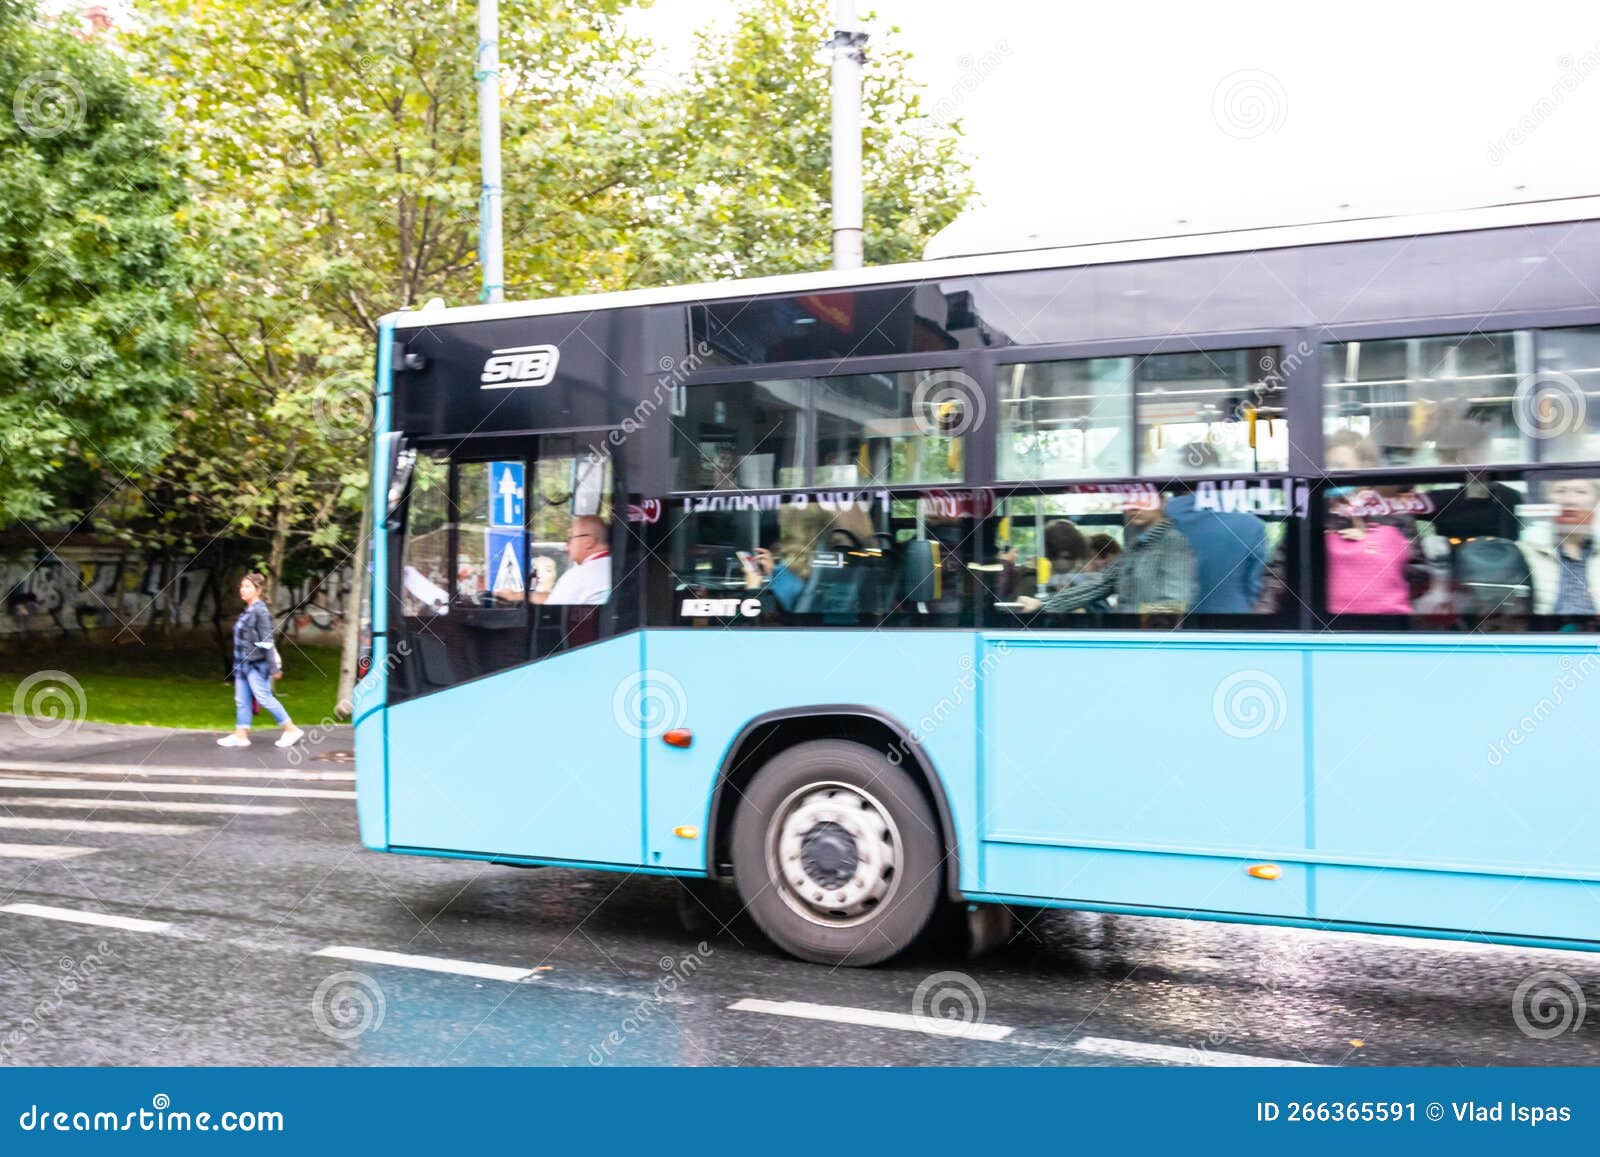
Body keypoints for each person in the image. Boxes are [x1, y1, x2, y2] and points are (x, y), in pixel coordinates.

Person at [1014, 494, 1196, 615]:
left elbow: (1175, 606)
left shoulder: (1173, 543)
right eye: (1128, 500)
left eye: (1143, 499)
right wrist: (1043, 605)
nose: (1133, 506)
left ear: (1162, 501)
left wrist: (1126, 619)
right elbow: (1101, 584)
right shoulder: (1136, 546)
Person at [217, 573, 302, 749]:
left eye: (248, 587)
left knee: (264, 697)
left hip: (256, 665)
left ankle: (291, 729)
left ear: (258, 590)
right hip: (242, 665)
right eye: (242, 586)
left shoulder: (260, 611)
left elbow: (266, 641)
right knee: (241, 700)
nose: (243, 590)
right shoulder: (248, 611)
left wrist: (273, 668)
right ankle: (241, 735)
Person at [1164, 487, 1268, 614]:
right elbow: (1254, 586)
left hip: (1164, 622)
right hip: (1231, 618)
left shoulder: (1157, 517)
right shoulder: (1253, 526)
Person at [1521, 477, 1600, 615]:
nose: (1569, 500)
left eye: (1580, 492)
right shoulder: (1525, 551)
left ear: (1595, 502)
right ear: (1548, 500)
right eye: (1560, 491)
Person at [500, 515, 612, 606]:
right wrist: (516, 595)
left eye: (570, 538)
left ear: (589, 542)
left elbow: (551, 607)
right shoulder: (613, 567)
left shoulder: (580, 575)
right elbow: (554, 597)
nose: (566, 544)